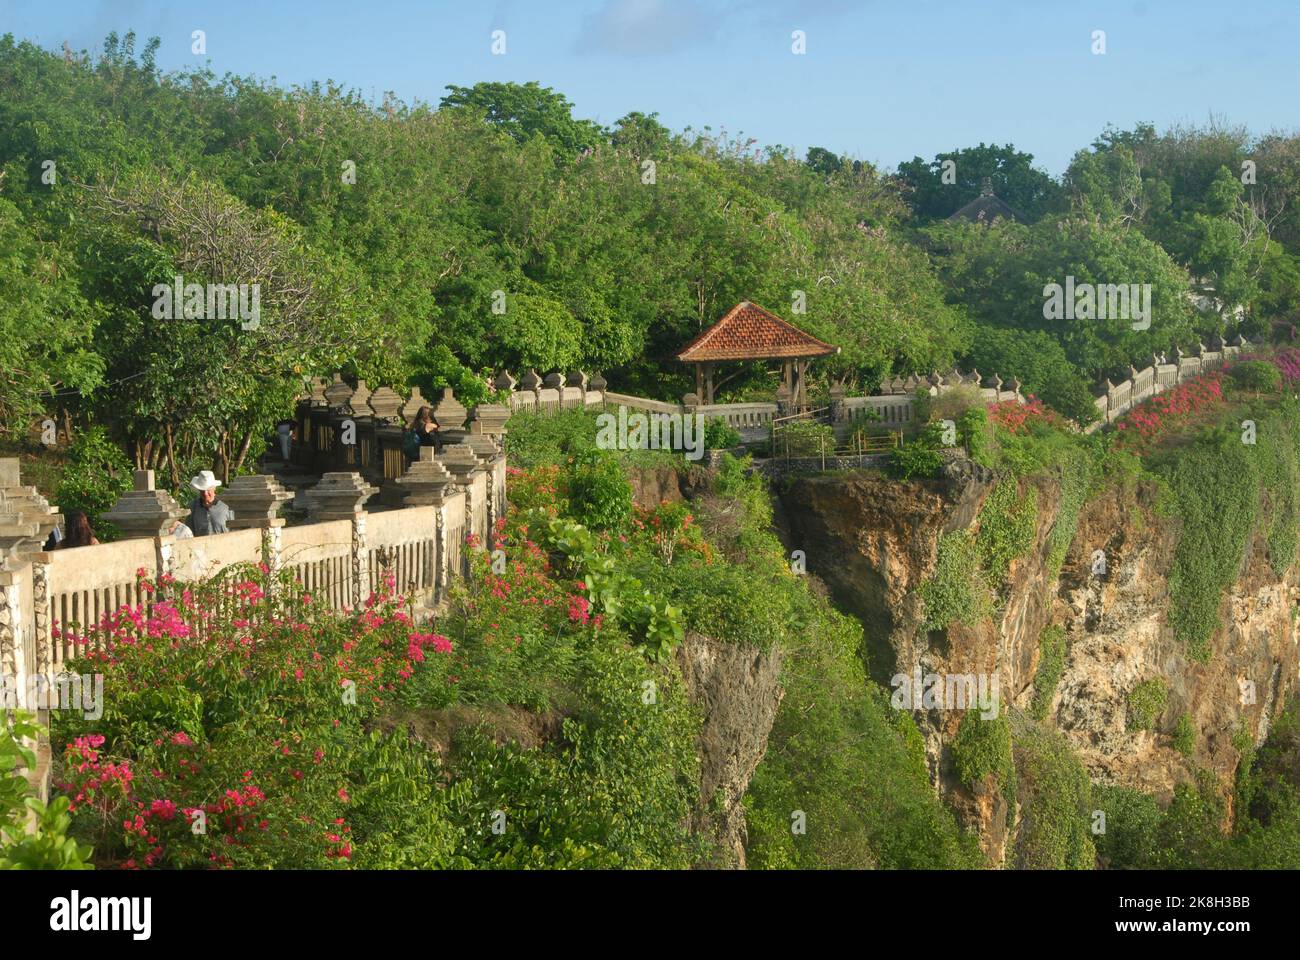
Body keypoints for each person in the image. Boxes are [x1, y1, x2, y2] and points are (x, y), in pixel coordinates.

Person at [187, 470, 234, 536]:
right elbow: (189, 533)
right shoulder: (192, 508)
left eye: (208, 489)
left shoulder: (226, 509)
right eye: (203, 490)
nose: (205, 493)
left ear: (214, 488)